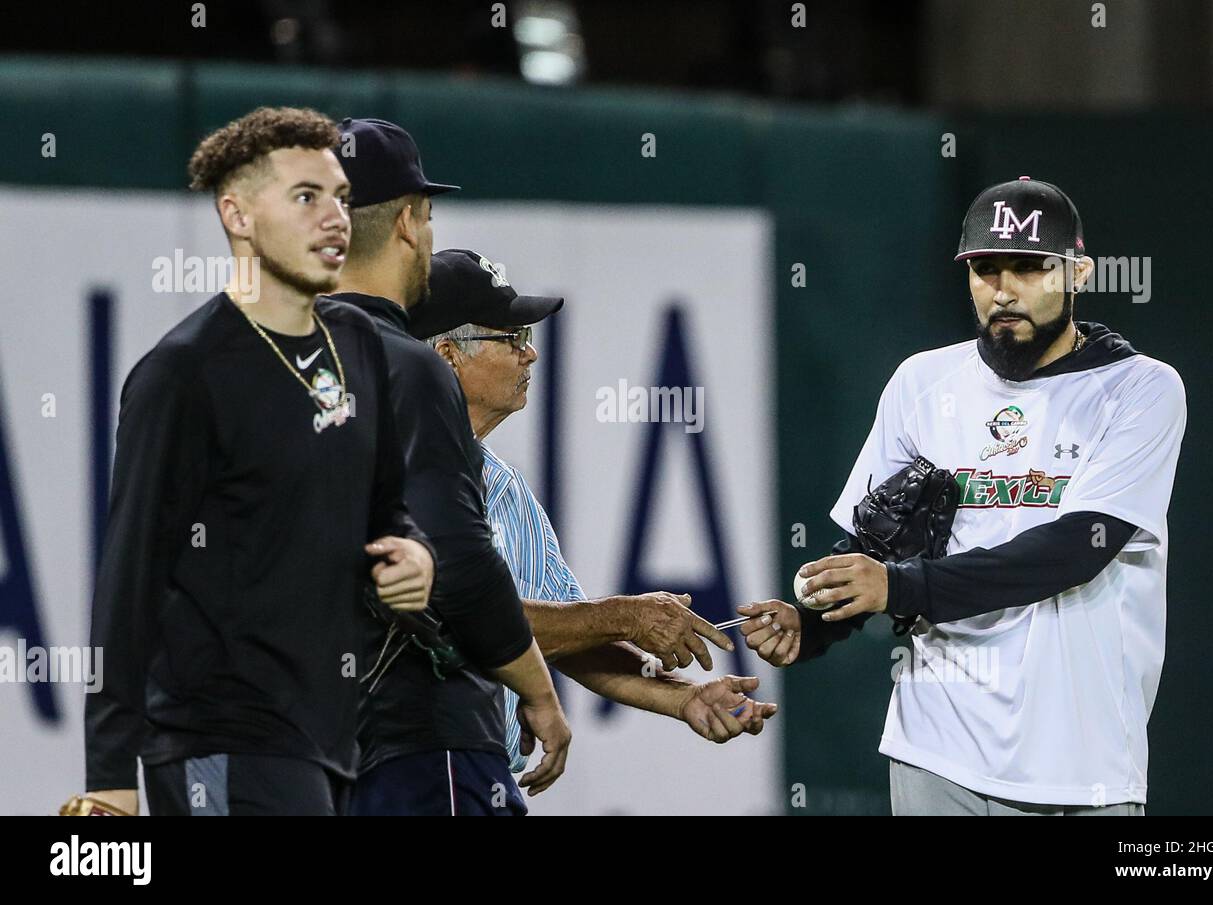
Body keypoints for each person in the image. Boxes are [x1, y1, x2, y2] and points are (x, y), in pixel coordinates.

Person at [739, 177, 1186, 816]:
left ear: (1078, 273)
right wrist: (810, 621)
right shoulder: (923, 381)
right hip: (938, 746)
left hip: (1083, 762)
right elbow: (879, 542)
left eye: (1029, 268)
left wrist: (898, 587)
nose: (1004, 289)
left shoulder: (1140, 390)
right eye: (985, 269)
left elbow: (1075, 550)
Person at [80, 107, 435, 816]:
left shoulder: (358, 346)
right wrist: (109, 772)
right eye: (306, 197)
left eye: (340, 197)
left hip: (328, 739)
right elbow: (129, 580)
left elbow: (387, 509)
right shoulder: (184, 373)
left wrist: (415, 555)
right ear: (237, 214)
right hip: (217, 735)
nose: (334, 217)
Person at [411, 249, 777, 791]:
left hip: (478, 770)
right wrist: (623, 615)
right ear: (447, 355)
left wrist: (682, 698)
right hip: (413, 761)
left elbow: (568, 633)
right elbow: (459, 615)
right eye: (510, 339)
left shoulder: (506, 489)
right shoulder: (397, 462)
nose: (530, 354)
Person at [325, 117, 570, 813]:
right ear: (407, 222)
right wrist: (536, 689)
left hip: (298, 744)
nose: (529, 353)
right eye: (428, 216)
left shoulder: (261, 364)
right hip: (422, 735)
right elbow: (459, 563)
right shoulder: (408, 365)